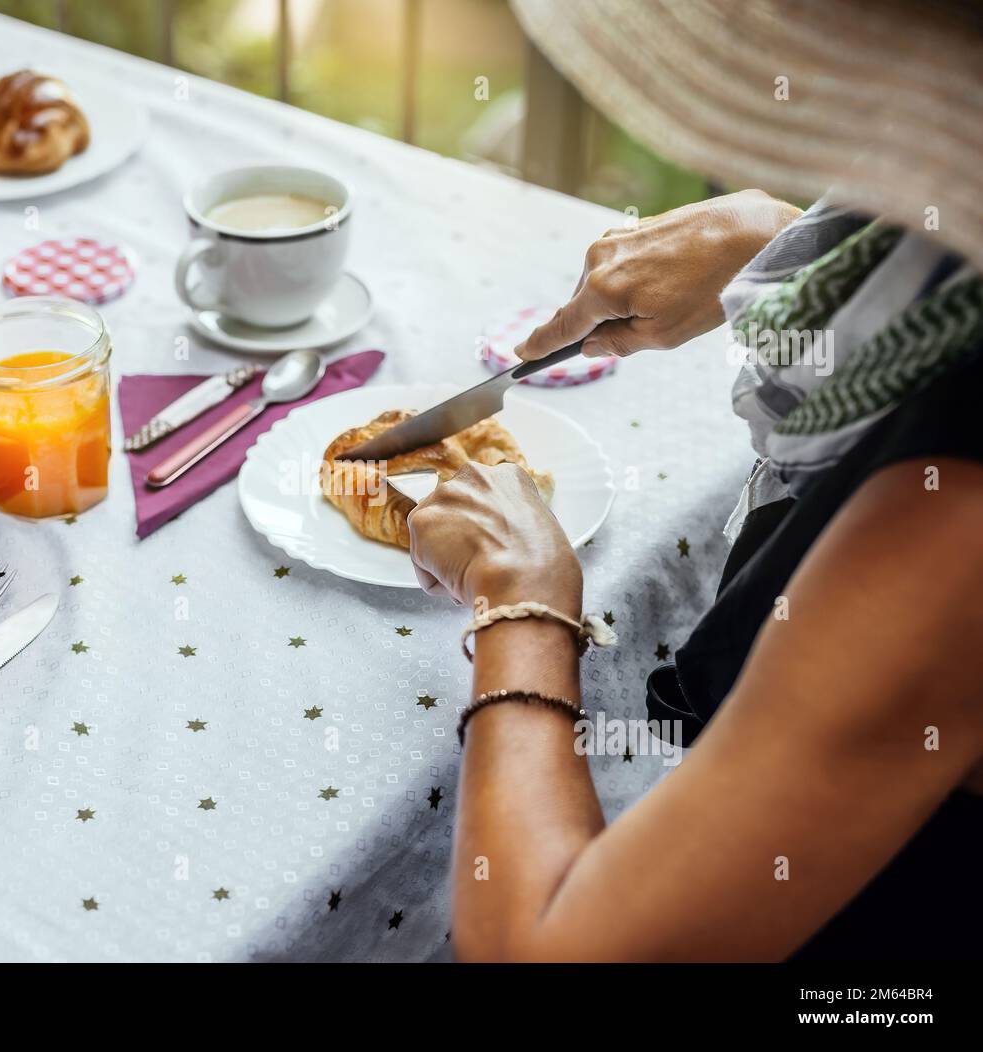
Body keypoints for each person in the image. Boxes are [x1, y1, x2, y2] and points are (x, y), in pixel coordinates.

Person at [407, 0, 983, 960]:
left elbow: (540, 947)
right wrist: (787, 247)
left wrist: (523, 600)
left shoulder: (953, 527)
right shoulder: (943, 284)